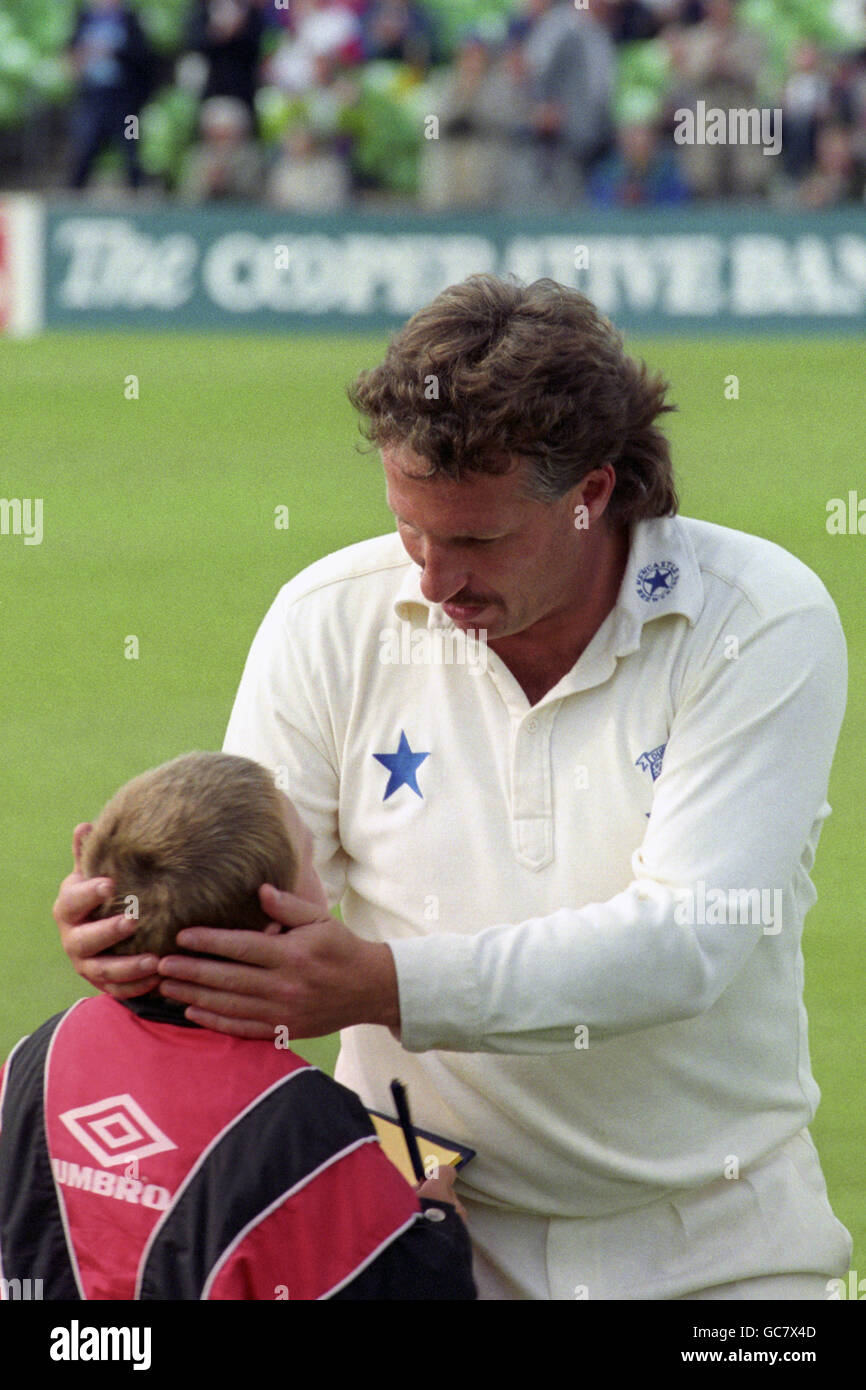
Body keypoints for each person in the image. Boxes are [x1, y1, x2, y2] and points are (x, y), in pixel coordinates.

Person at [56, 275, 852, 1301]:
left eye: (474, 540)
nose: (431, 581)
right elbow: (244, 898)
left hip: (720, 1248)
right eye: (409, 530)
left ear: (591, 492)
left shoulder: (757, 616)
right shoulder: (325, 617)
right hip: (409, 1233)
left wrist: (384, 986)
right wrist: (137, 927)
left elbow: (684, 942)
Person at [0, 752, 476, 1300]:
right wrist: (439, 1220)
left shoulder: (37, 1057)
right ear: (280, 917)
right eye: (310, 855)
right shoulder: (302, 1123)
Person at [66, 0, 154, 191]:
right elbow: (70, 56)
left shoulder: (132, 20)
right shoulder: (83, 19)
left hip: (127, 102)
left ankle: (138, 193)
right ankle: (72, 197)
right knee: (84, 147)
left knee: (131, 146)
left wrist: (113, 50)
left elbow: (145, 58)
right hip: (92, 99)